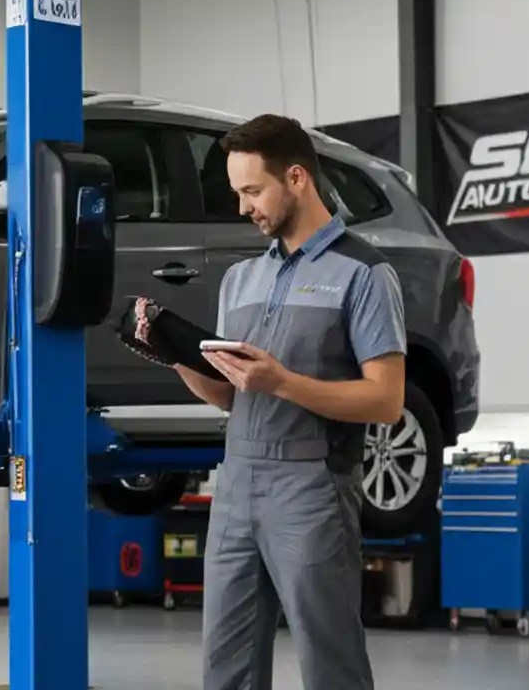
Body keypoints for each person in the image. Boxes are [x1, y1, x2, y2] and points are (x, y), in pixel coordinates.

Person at [173, 114, 407, 690]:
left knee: (330, 661)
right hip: (236, 483)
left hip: (313, 487)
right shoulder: (241, 279)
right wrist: (173, 355)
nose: (243, 207)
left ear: (297, 177)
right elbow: (233, 396)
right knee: (225, 665)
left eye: (252, 191)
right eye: (237, 193)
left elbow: (386, 401)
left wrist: (284, 384)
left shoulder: (365, 274)